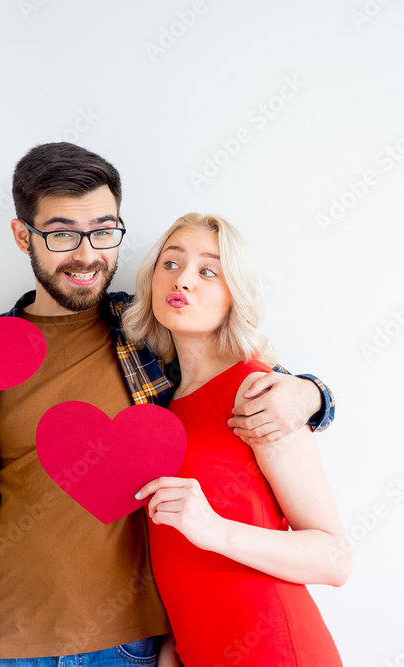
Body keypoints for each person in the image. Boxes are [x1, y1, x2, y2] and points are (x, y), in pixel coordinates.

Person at [0, 143, 336, 667]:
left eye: (103, 231)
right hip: (6, 646)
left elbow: (249, 386)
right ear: (23, 236)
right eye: (63, 234)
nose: (87, 254)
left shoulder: (150, 332)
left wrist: (312, 394)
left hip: (132, 645)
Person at [124, 213, 351, 666]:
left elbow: (335, 558)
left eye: (208, 271)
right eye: (171, 264)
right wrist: (175, 647)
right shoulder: (164, 406)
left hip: (273, 650)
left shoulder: (259, 394)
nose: (182, 279)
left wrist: (215, 529)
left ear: (235, 296)